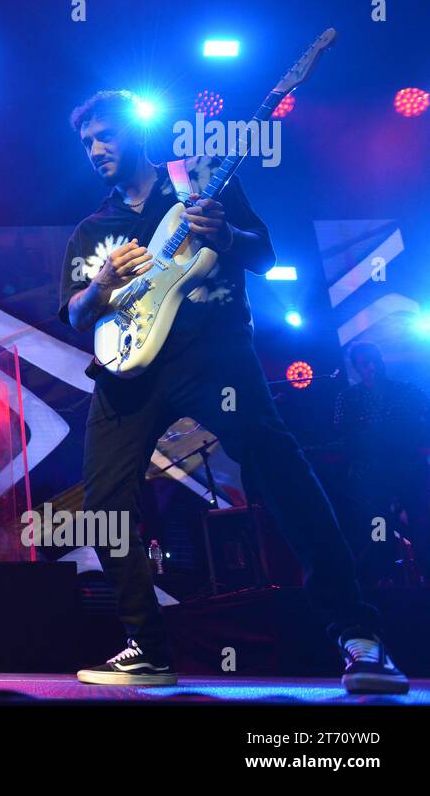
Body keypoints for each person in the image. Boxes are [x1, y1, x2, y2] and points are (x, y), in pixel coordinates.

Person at [58, 89, 408, 693]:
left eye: (106, 135)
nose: (96, 150)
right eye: (87, 142)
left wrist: (223, 233)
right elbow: (73, 313)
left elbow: (264, 256)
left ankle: (359, 637)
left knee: (280, 471)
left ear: (137, 132)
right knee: (103, 510)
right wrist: (100, 287)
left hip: (213, 355)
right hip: (127, 370)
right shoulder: (95, 228)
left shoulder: (200, 180)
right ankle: (147, 646)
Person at [334, 341, 430, 582]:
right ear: (356, 368)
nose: (372, 367)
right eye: (365, 363)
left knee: (421, 522)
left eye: (375, 360)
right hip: (372, 477)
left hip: (409, 470)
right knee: (379, 526)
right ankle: (387, 576)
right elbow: (344, 435)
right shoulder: (348, 398)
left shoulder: (407, 391)